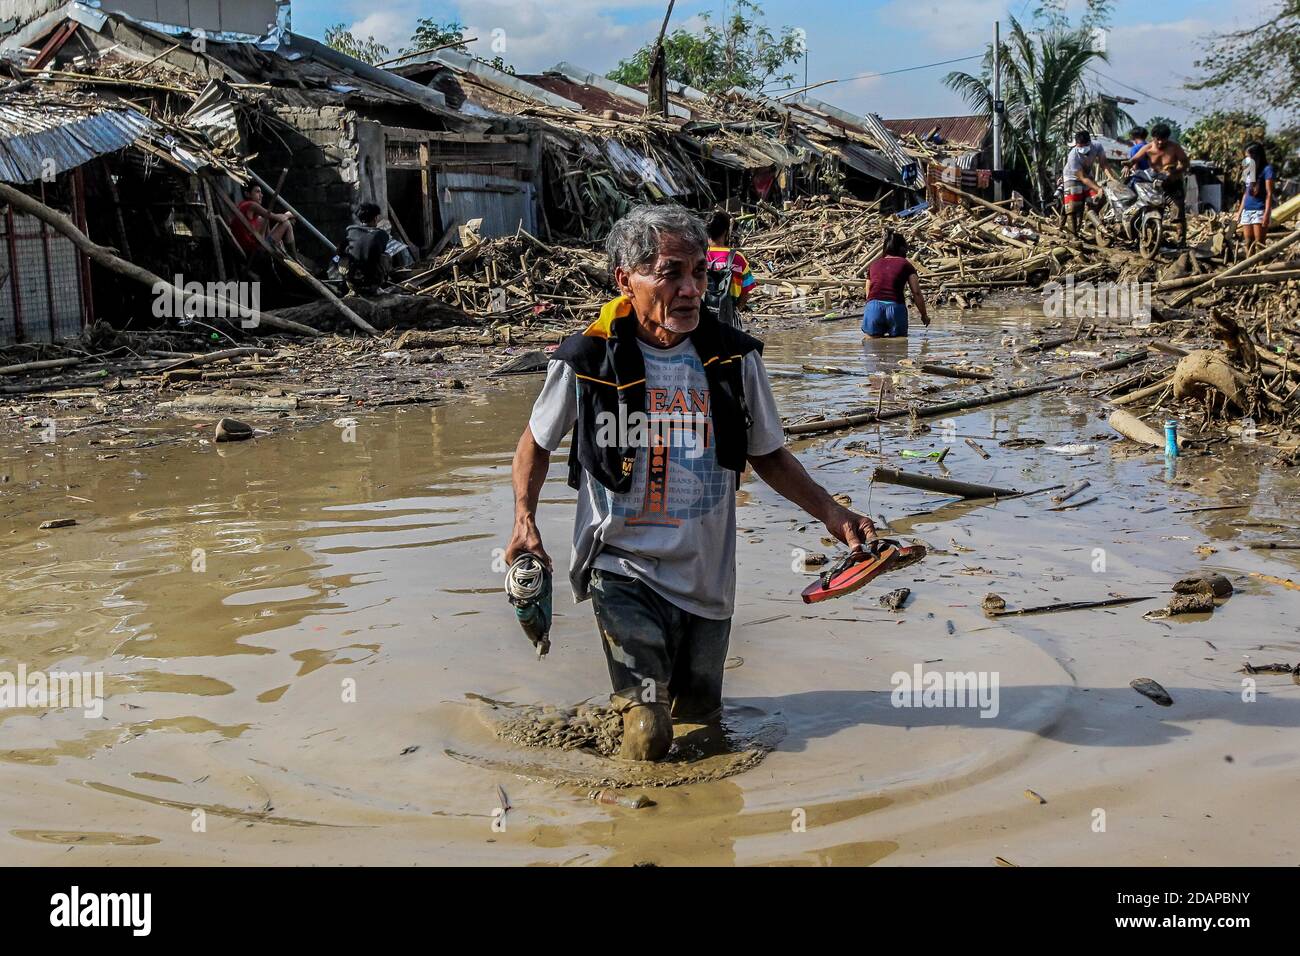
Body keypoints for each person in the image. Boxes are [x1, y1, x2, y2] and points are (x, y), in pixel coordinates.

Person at [507, 205, 878, 762]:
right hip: (622, 567)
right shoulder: (588, 358)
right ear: (624, 280)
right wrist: (524, 521)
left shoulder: (733, 359)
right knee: (651, 731)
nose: (689, 290)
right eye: (670, 272)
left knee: (703, 726)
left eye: (699, 273)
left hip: (706, 576)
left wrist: (832, 513)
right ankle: (633, 823)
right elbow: (535, 443)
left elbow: (769, 455)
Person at [1129, 123, 1190, 245]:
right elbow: (1134, 160)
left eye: (1164, 139)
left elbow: (1184, 163)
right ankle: (1152, 238)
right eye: (1158, 139)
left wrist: (1175, 171)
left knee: (1177, 212)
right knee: (1154, 210)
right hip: (1156, 185)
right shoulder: (1148, 148)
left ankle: (1180, 240)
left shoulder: (1175, 147)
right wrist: (1127, 165)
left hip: (1173, 185)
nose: (1161, 142)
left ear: (1168, 138)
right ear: (1153, 138)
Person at [861, 230, 929, 337]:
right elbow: (916, 292)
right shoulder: (906, 265)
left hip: (874, 307)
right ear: (903, 248)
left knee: (871, 346)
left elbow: (868, 293)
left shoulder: (874, 265)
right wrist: (924, 315)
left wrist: (871, 310)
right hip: (895, 308)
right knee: (899, 346)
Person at [704, 211, 755, 327]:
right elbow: (746, 293)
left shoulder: (699, 256)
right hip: (729, 319)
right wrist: (735, 309)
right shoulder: (737, 258)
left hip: (701, 318)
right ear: (726, 232)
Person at [1062, 130, 1109, 238]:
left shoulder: (1097, 146)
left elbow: (1104, 164)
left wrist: (1111, 178)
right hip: (1073, 177)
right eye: (1079, 146)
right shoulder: (1073, 156)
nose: (1082, 148)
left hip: (1088, 176)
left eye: (1084, 145)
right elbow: (1082, 178)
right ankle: (1072, 234)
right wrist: (1098, 188)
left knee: (1098, 199)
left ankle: (1089, 225)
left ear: (1089, 142)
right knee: (1073, 206)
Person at [230, 183, 296, 258]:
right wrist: (289, 214)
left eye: (261, 192)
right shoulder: (251, 205)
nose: (261, 195)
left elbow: (266, 221)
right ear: (247, 194)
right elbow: (279, 218)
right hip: (253, 251)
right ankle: (295, 258)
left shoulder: (244, 206)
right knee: (286, 223)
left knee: (263, 219)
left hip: (249, 248)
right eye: (257, 192)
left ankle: (285, 252)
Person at [340, 202, 391, 293]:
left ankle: (348, 285)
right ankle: (378, 285)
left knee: (345, 255)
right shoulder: (381, 234)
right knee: (386, 256)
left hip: (352, 283)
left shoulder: (350, 230)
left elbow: (339, 251)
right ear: (375, 218)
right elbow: (377, 253)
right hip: (372, 284)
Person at [1236, 141, 1274, 254]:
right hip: (1247, 210)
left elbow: (1269, 193)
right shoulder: (1249, 171)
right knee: (1248, 242)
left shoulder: (1267, 170)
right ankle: (1249, 267)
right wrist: (1239, 212)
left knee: (1259, 243)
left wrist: (1266, 214)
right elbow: (1246, 193)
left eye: (1249, 157)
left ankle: (1260, 267)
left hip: (1260, 210)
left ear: (1257, 156)